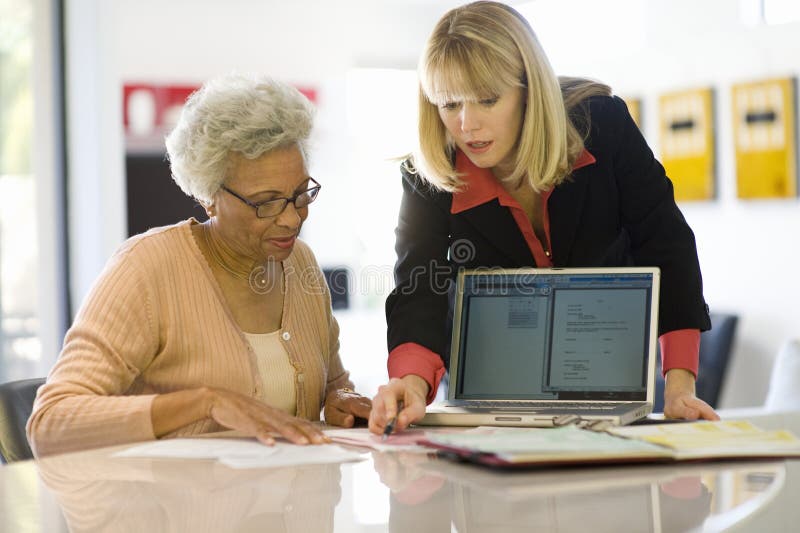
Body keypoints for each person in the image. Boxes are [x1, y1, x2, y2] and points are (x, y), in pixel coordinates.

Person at [369, 0, 718, 435]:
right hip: (493, 397)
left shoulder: (603, 126)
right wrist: (410, 384)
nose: (466, 124)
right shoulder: (427, 175)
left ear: (528, 89)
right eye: (448, 103)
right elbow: (420, 289)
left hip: (608, 380)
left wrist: (680, 386)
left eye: (487, 99)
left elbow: (666, 242)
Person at [27, 73, 371, 457]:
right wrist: (203, 402)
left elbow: (334, 383)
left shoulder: (300, 262)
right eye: (266, 202)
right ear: (209, 196)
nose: (292, 219)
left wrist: (341, 398)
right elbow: (51, 422)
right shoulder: (146, 269)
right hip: (174, 514)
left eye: (300, 195)